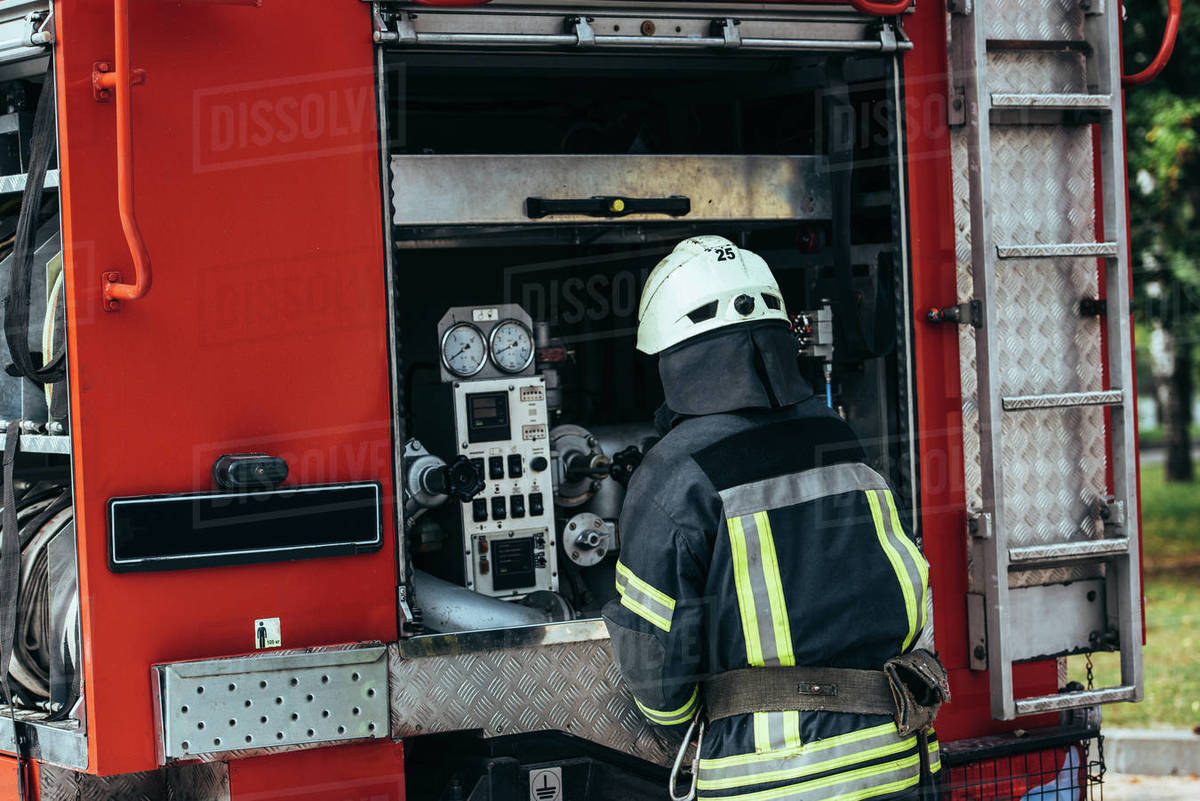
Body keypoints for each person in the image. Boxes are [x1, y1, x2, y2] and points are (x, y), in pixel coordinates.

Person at [602, 236, 946, 801]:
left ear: (673, 354)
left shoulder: (672, 475)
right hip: (898, 762)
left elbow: (654, 655)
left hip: (774, 778)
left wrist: (681, 724)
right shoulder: (840, 439)